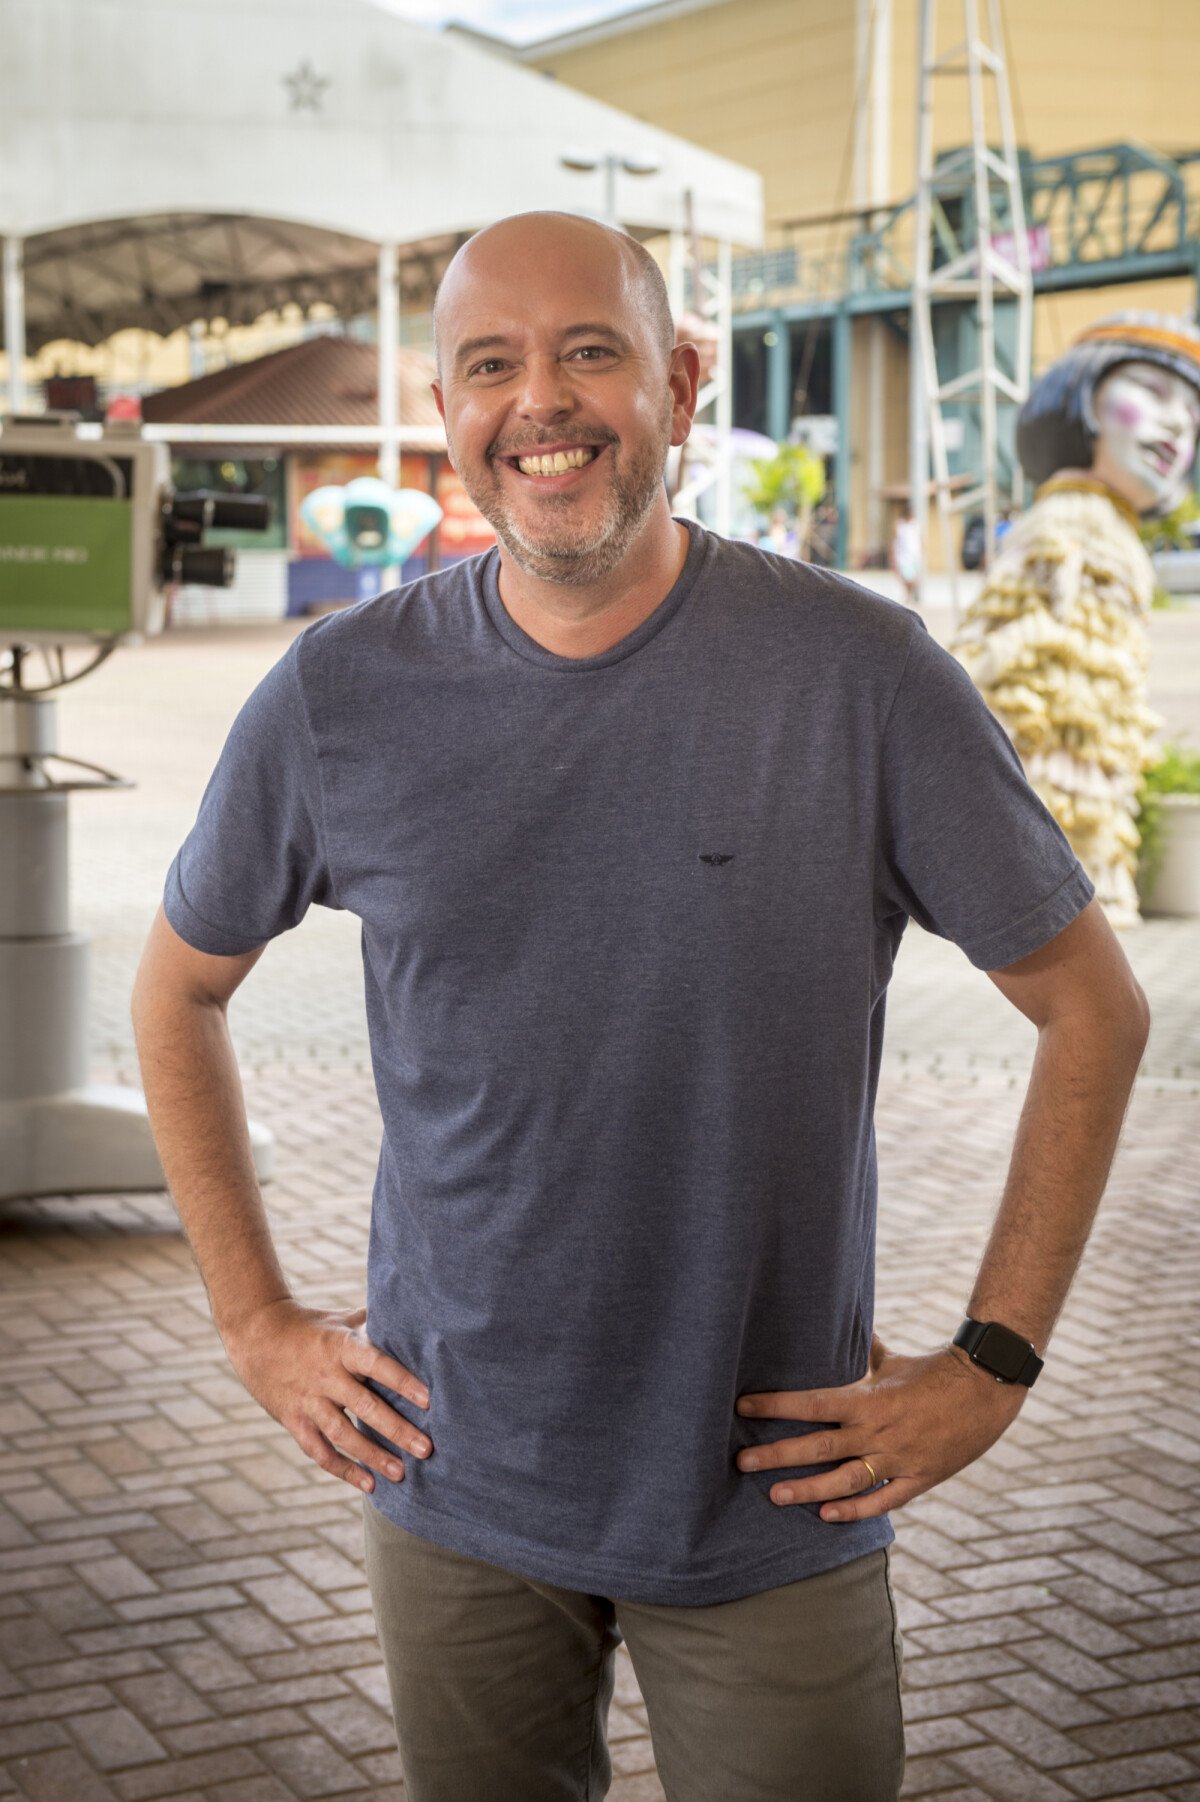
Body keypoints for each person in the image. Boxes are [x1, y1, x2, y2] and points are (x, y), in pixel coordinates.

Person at [132, 213, 1149, 1802]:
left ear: (678, 380)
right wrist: (258, 1324)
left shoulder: (859, 675)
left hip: (771, 1491)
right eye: (492, 365)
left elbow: (1094, 1006)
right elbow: (177, 988)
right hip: (451, 1479)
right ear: (449, 412)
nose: (543, 402)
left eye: (590, 351)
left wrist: (994, 1358)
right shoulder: (342, 694)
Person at [951, 314, 1200, 926]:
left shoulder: (1100, 525)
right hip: (1047, 838)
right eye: (1153, 391)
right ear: (1082, 397)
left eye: (1193, 413)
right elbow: (1041, 692)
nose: (1178, 423)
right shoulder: (1074, 526)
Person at [889, 505, 921, 603]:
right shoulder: (899, 526)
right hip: (903, 556)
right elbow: (894, 541)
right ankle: (908, 595)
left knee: (914, 578)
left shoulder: (915, 525)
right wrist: (892, 554)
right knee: (906, 577)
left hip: (915, 555)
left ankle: (909, 595)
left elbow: (920, 539)